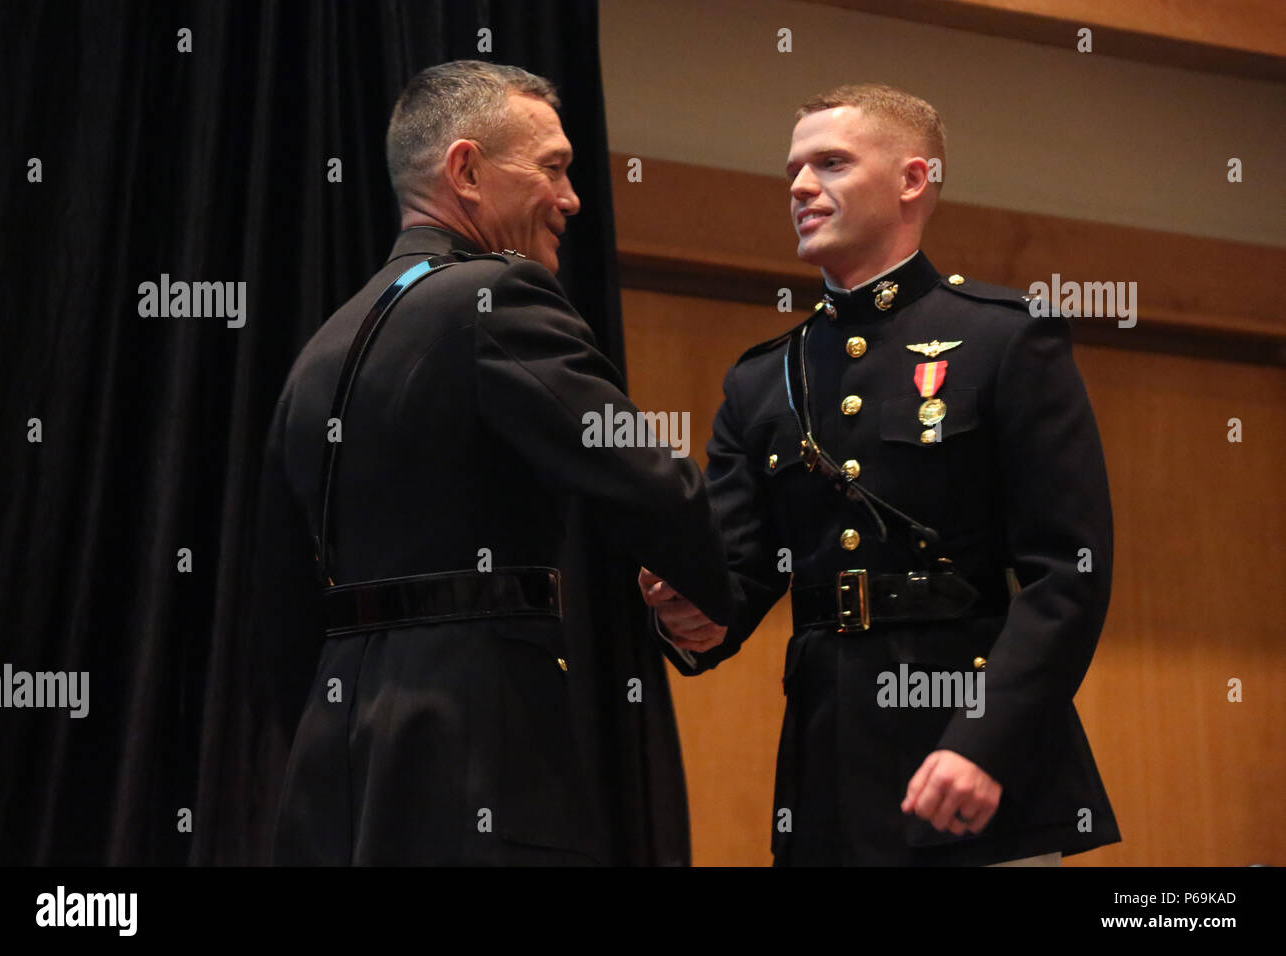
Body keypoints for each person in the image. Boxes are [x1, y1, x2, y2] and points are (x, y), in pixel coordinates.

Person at [252, 60, 731, 865]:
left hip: (334, 756)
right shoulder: (494, 298)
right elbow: (647, 478)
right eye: (552, 169)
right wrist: (715, 597)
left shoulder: (321, 348)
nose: (572, 199)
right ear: (466, 170)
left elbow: (276, 596)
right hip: (470, 739)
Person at [642, 83, 1120, 866]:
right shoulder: (763, 381)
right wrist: (684, 611)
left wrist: (987, 740)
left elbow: (1069, 573)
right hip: (828, 776)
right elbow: (734, 584)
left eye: (830, 162)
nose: (800, 186)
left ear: (912, 180)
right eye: (794, 169)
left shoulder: (1003, 340)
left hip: (973, 765)